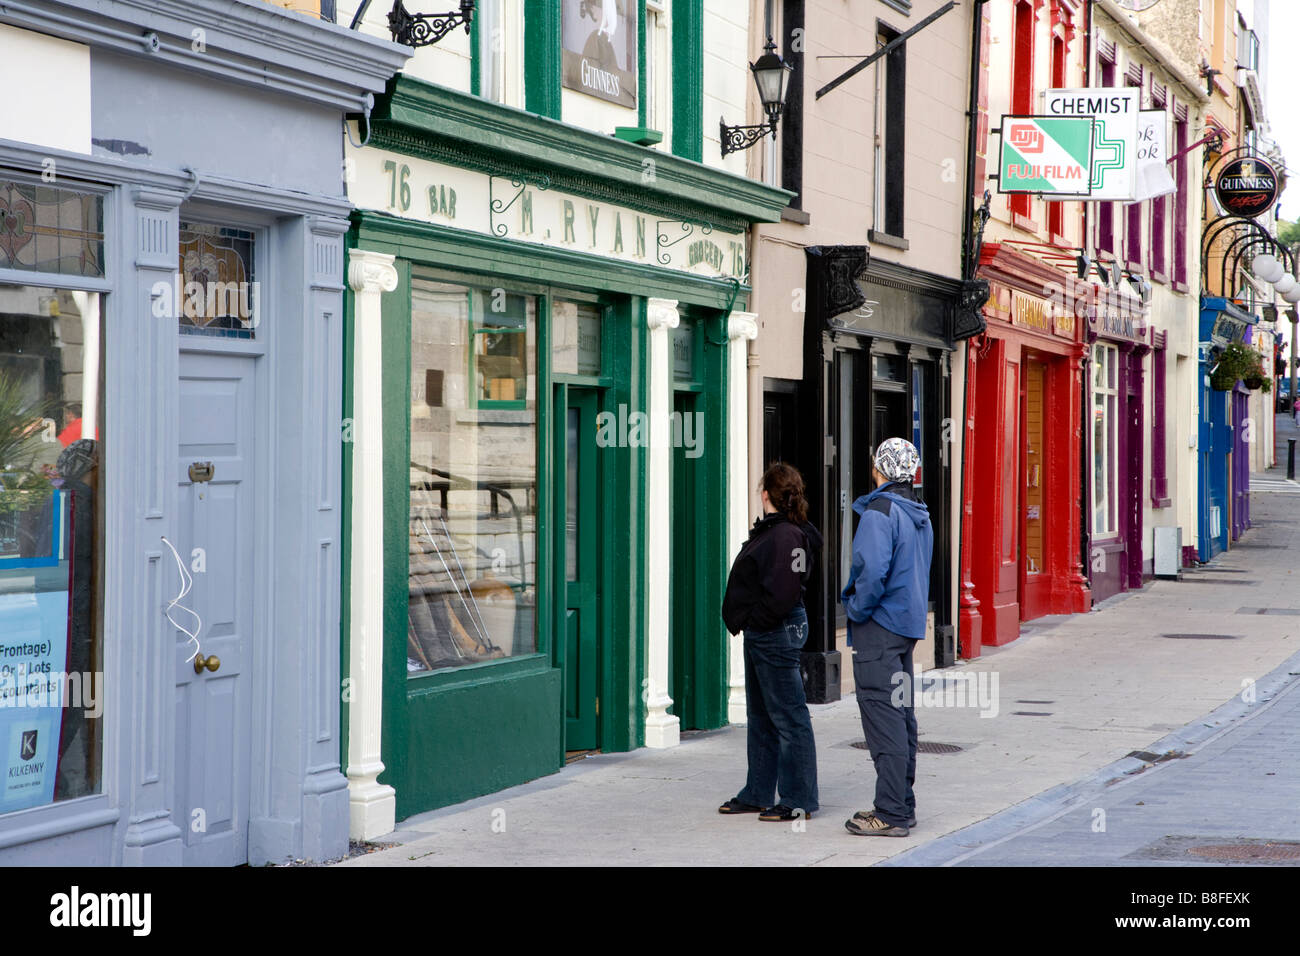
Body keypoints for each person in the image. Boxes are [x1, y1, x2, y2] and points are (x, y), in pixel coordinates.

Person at [718, 462, 822, 822]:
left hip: (775, 632)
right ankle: (758, 792)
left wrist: (755, 621)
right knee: (761, 714)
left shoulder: (785, 535)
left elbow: (783, 591)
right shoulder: (785, 531)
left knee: (788, 716)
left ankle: (798, 798)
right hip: (770, 631)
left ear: (766, 495)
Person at [841, 438, 933, 837]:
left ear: (879, 468)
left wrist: (856, 610)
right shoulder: (919, 513)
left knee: (883, 717)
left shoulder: (880, 512)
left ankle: (891, 811)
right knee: (902, 715)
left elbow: (871, 573)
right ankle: (903, 804)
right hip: (907, 626)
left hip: (879, 628)